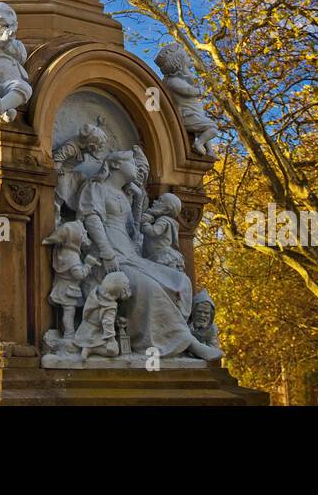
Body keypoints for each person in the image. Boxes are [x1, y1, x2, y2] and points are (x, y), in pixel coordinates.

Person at [78, 149, 221, 361]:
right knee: (150, 287)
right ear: (116, 164)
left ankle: (185, 335)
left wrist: (137, 201)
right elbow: (92, 220)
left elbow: (134, 231)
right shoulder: (96, 188)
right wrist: (107, 254)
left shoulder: (126, 195)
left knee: (180, 281)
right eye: (131, 162)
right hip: (108, 257)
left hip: (130, 255)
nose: (135, 168)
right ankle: (186, 343)